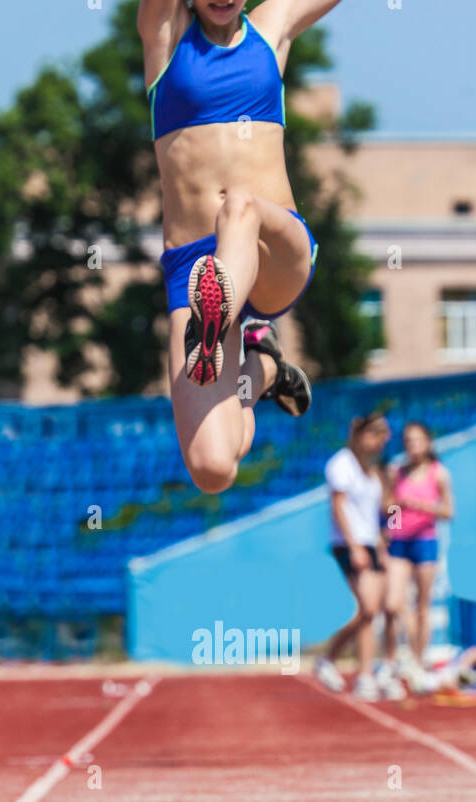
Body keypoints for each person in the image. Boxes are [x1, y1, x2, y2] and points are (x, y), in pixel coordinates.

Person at [138, 0, 340, 495]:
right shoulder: (165, 33)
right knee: (212, 469)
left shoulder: (271, 28)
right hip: (195, 268)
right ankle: (262, 367)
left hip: (274, 248)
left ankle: (221, 317)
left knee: (239, 208)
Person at [315, 411, 392, 701]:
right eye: (376, 434)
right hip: (349, 544)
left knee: (371, 612)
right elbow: (338, 507)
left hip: (372, 543)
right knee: (369, 608)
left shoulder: (376, 469)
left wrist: (388, 536)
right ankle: (350, 666)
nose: (381, 442)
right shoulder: (341, 464)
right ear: (361, 435)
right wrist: (354, 545)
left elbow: (388, 508)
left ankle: (363, 673)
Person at [380, 422, 454, 693]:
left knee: (423, 605)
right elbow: (387, 506)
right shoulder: (396, 471)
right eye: (408, 440)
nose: (412, 445)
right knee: (393, 602)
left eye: (417, 440)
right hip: (399, 540)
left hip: (425, 541)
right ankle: (396, 658)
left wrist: (422, 506)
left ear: (428, 443)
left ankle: (418, 662)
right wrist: (397, 510)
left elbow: (448, 512)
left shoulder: (439, 474)